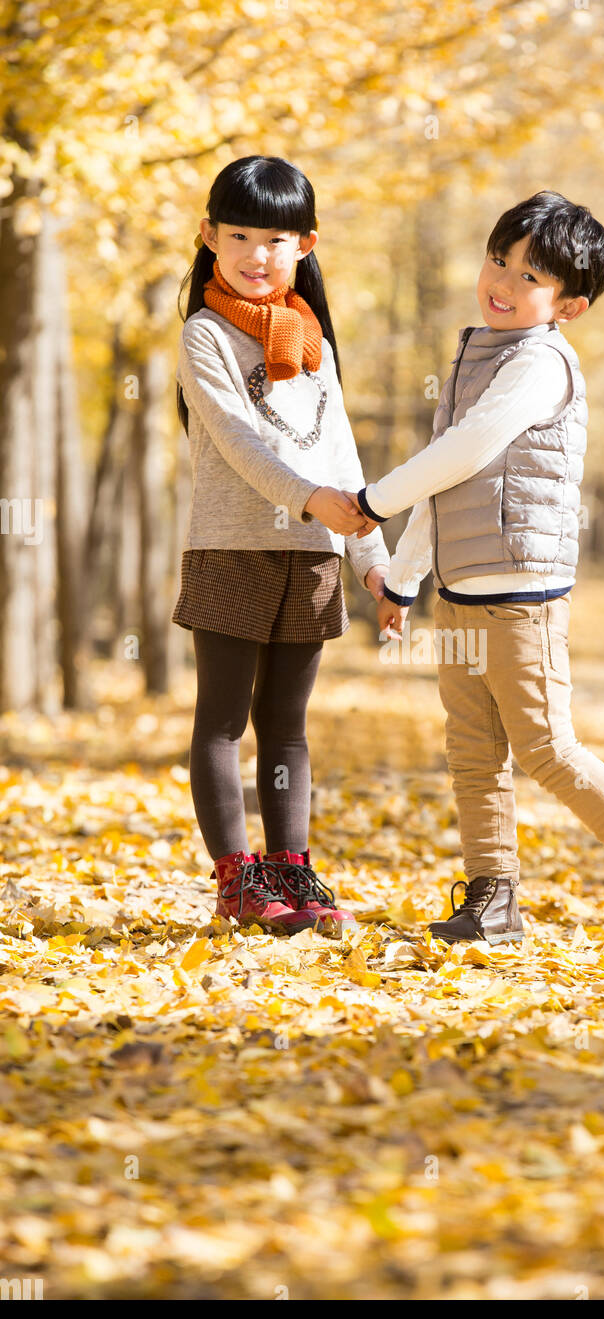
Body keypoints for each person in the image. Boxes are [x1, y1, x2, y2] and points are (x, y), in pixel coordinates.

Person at [354, 191, 604, 946]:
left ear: (570, 305)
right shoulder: (471, 360)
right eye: (499, 260)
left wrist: (371, 500)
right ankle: (493, 900)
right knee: (473, 755)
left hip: (523, 595)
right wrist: (402, 580)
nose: (503, 282)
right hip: (459, 593)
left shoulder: (542, 363)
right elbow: (446, 482)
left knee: (546, 748)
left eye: (530, 277)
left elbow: (463, 451)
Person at [173, 155, 385, 933]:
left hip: (314, 557)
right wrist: (309, 499)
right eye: (239, 236)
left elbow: (343, 457)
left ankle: (290, 873)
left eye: (275, 238)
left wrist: (373, 562)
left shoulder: (315, 345)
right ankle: (238, 880)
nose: (257, 256)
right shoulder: (205, 336)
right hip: (231, 548)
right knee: (223, 720)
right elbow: (235, 440)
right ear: (209, 237)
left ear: (306, 244)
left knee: (288, 726)